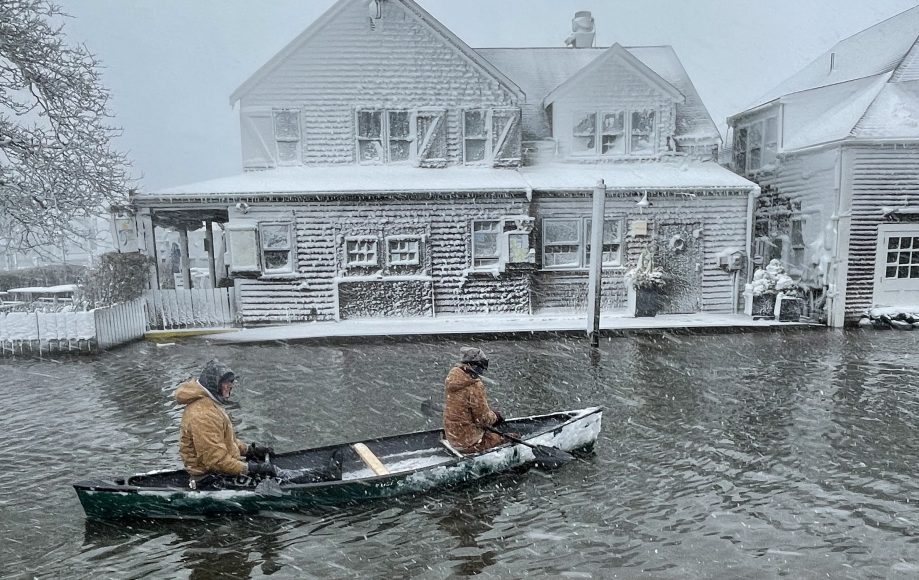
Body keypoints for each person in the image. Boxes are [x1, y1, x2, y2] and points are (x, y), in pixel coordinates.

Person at [176, 358, 278, 488]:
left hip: (219, 471)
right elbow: (216, 461)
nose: (230, 385)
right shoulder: (203, 415)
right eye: (226, 382)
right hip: (209, 479)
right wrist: (251, 468)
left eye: (231, 382)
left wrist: (249, 450)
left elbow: (224, 441)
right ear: (214, 384)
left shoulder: (208, 404)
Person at [443, 346, 507, 454]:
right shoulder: (474, 385)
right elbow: (482, 419)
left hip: (452, 438)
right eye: (482, 366)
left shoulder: (453, 379)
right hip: (469, 442)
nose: (482, 370)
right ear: (474, 365)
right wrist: (496, 417)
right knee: (510, 438)